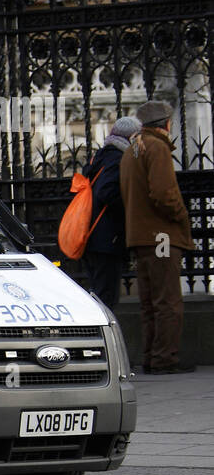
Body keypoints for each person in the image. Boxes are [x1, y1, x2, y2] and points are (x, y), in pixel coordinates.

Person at [120, 100, 195, 374]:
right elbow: (164, 194)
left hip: (141, 236)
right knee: (168, 300)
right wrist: (180, 216)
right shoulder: (157, 148)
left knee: (150, 301)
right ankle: (165, 358)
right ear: (166, 124)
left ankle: (152, 356)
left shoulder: (133, 150)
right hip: (161, 236)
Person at [81, 116, 138, 313]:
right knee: (106, 298)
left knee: (98, 293)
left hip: (93, 236)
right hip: (107, 239)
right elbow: (106, 192)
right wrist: (130, 208)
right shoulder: (117, 158)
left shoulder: (100, 156)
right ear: (131, 136)